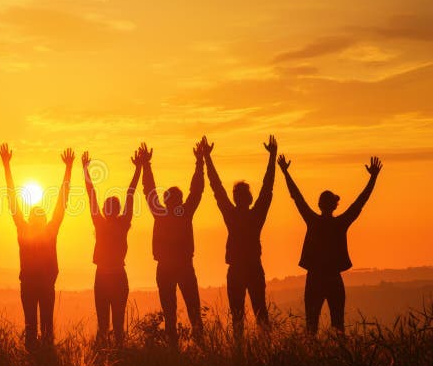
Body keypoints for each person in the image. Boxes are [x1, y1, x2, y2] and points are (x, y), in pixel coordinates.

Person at [278, 154, 382, 334]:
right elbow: (360, 202)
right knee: (337, 325)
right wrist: (373, 178)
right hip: (332, 278)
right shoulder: (339, 223)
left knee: (312, 326)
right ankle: (339, 358)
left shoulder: (314, 221)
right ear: (334, 205)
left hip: (315, 278)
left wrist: (285, 172)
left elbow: (297, 198)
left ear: (320, 205)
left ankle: (315, 358)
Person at [0, 143, 74, 349]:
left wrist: (68, 169)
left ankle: (39, 361)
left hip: (37, 286)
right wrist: (6, 165)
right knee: (36, 326)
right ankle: (40, 361)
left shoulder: (34, 231)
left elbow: (61, 201)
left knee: (39, 327)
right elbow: (13, 199)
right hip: (36, 286)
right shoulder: (38, 231)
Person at [204, 135, 277, 338]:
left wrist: (207, 159)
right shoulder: (255, 214)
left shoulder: (233, 214)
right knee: (260, 315)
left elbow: (217, 188)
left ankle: (241, 352)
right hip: (251, 268)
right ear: (248, 198)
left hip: (241, 269)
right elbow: (267, 187)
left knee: (239, 319)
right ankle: (264, 350)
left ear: (236, 199)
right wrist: (272, 157)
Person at [140, 140, 206, 342]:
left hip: (174, 267)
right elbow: (195, 191)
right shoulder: (182, 213)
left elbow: (150, 191)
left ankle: (178, 346)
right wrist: (199, 163)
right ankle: (195, 346)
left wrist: (146, 165)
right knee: (186, 311)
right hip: (178, 267)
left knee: (177, 312)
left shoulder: (167, 213)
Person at [82, 149, 143, 344]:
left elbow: (130, 194)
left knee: (114, 325)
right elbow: (92, 194)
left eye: (110, 206)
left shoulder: (113, 223)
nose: (108, 209)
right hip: (108, 277)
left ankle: (115, 357)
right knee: (107, 325)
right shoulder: (111, 223)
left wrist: (139, 169)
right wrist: (85, 170)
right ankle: (111, 357)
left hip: (110, 277)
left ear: (113, 210)